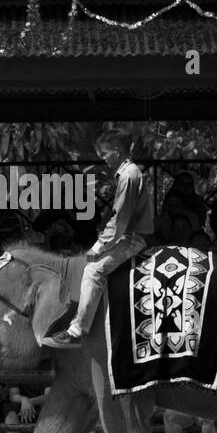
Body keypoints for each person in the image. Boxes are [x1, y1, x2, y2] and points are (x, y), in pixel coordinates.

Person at [46, 130, 155, 349]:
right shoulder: (128, 174)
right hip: (126, 236)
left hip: (131, 239)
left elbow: (121, 220)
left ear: (116, 151)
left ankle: (76, 331)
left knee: (93, 271)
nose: (103, 158)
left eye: (105, 153)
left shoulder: (128, 175)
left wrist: (99, 245)